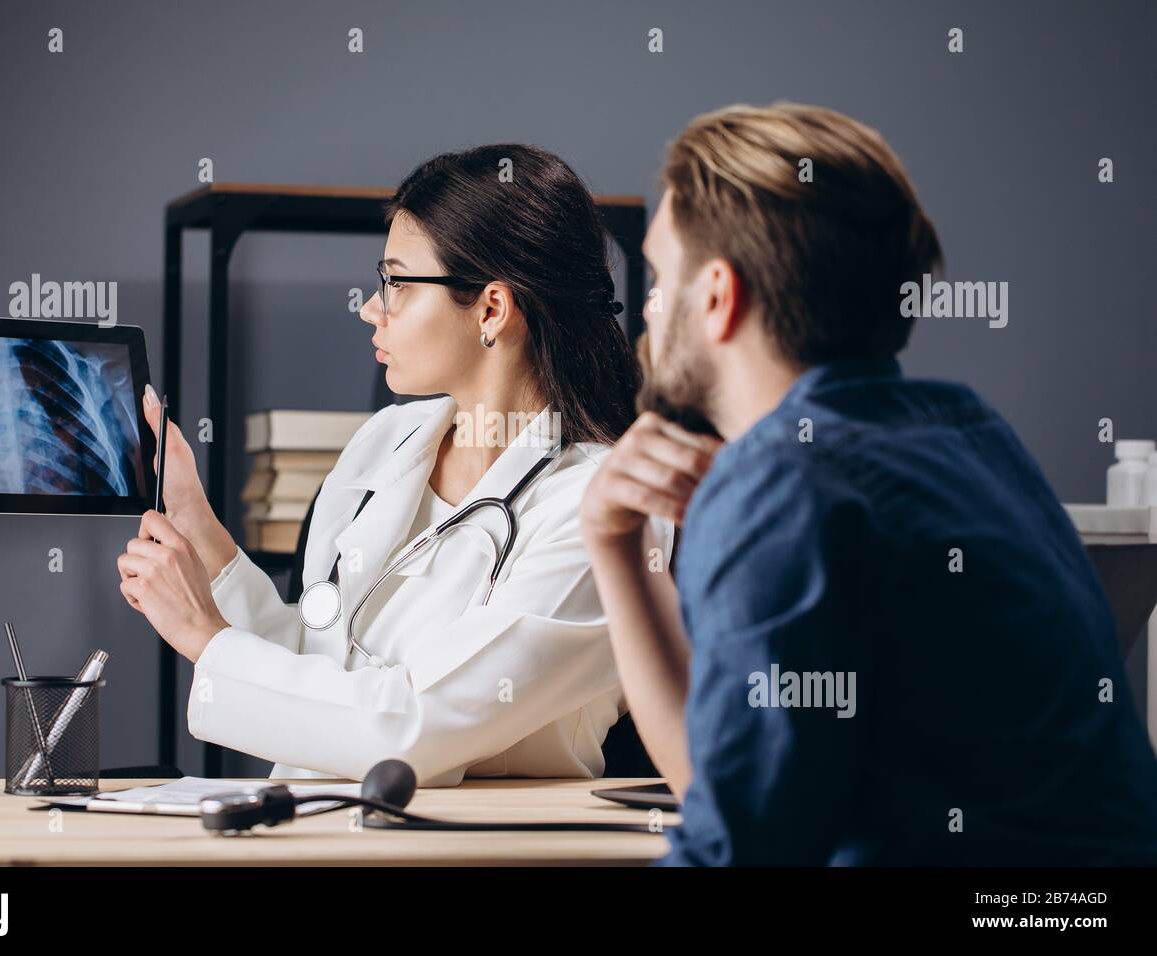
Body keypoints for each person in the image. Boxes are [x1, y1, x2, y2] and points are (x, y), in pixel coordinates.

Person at [579, 102, 1157, 864]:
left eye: (659, 275)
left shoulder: (781, 481)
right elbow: (732, 795)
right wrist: (612, 543)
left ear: (718, 297)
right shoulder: (968, 433)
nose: (648, 311)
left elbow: (737, 856)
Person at [116, 144, 673, 786]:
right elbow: (318, 664)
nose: (371, 307)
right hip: (320, 830)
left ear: (492, 308)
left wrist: (207, 640)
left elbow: (415, 725)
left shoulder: (604, 509)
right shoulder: (387, 440)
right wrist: (201, 531)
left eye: (397, 284)